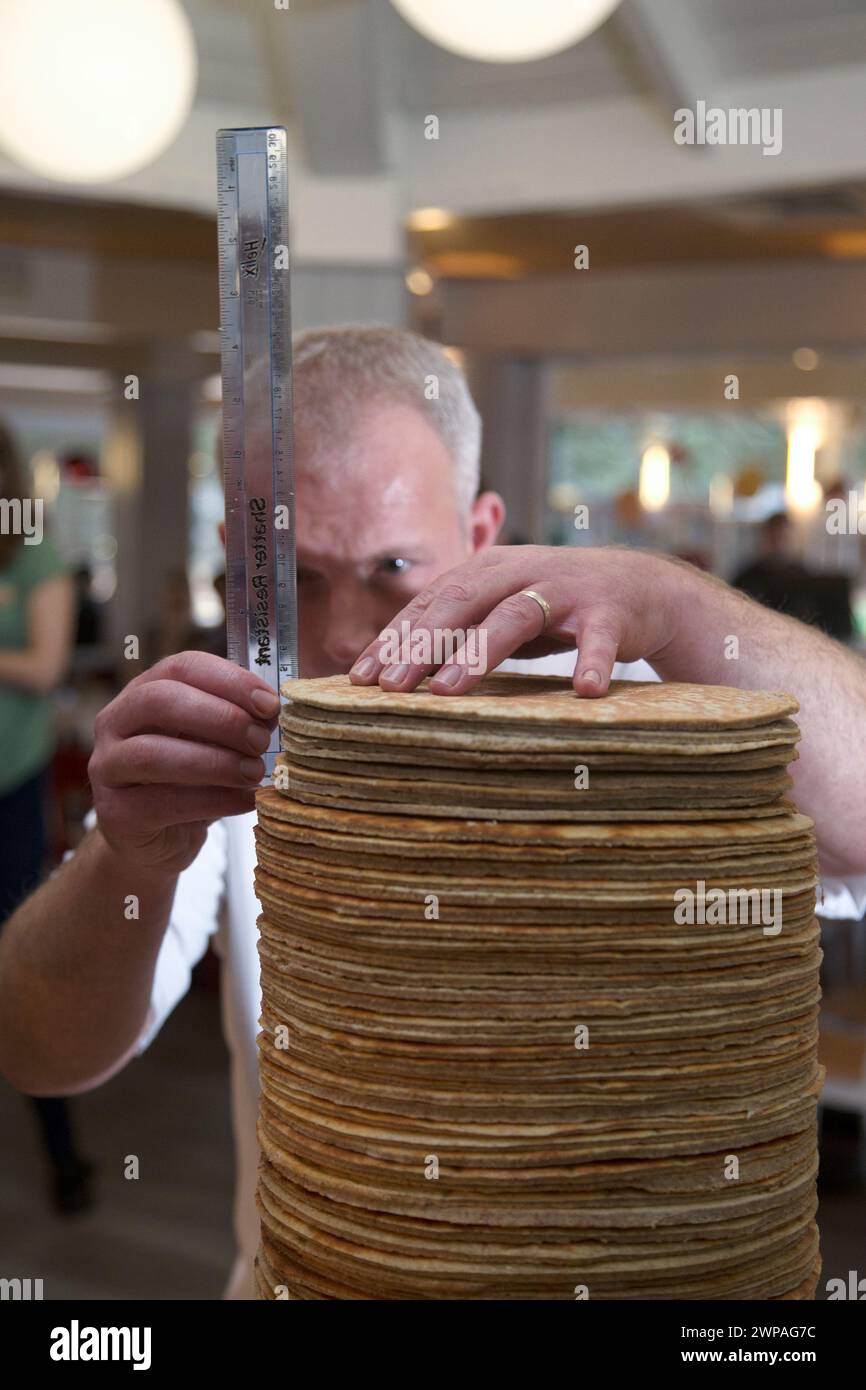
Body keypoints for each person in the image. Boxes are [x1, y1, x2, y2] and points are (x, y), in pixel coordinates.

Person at [0, 327, 864, 1298]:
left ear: (481, 532)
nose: (338, 636)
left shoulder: (618, 699)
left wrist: (680, 600)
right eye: (295, 577)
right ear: (234, 562)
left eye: (391, 568)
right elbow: (40, 1048)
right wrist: (127, 858)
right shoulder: (239, 746)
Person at [0, 419, 91, 1213]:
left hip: (10, 790)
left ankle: (64, 1155)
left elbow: (47, 667)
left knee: (21, 968)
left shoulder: (34, 557)